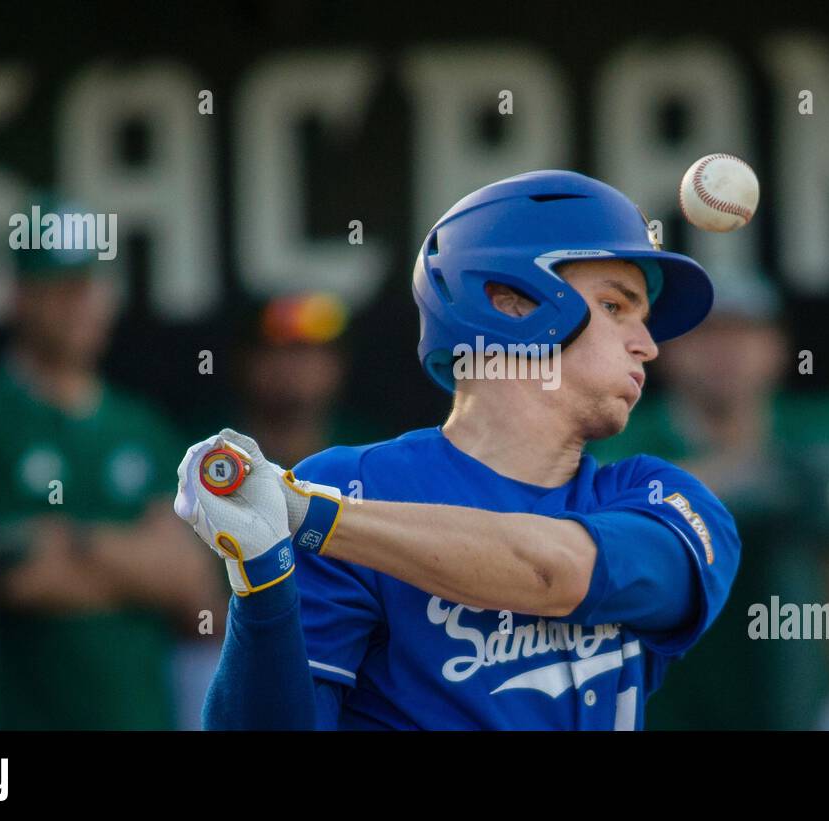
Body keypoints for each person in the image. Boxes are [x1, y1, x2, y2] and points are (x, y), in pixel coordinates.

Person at [173, 170, 742, 730]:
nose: (647, 347)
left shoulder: (661, 497)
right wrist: (264, 579)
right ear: (512, 301)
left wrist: (311, 516)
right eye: (617, 307)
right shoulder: (356, 484)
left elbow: (556, 573)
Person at [0, 197, 226, 729]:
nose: (84, 303)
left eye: (93, 285)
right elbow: (6, 576)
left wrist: (75, 543)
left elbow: (190, 581)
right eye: (64, 288)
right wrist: (135, 562)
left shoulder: (140, 426)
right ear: (19, 295)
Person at [234, 292, 381, 468]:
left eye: (301, 350)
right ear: (243, 361)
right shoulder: (202, 450)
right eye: (270, 350)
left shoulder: (371, 454)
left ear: (337, 364)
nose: (285, 364)